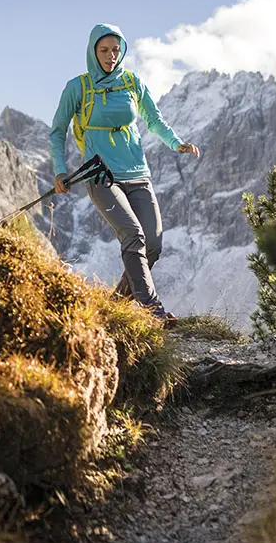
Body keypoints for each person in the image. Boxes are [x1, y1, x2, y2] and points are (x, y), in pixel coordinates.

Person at [49, 23, 200, 323]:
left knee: (153, 245)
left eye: (116, 50)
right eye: (104, 50)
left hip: (137, 173)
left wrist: (177, 143)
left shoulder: (132, 82)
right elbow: (57, 132)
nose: (111, 56)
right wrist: (59, 171)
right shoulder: (78, 87)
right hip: (100, 175)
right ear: (93, 51)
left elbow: (154, 120)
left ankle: (115, 305)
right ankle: (153, 310)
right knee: (132, 234)